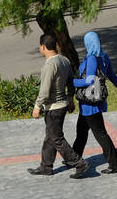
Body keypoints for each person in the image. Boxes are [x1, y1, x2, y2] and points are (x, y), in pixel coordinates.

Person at [71, 31, 117, 173]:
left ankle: (115, 165)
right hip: (94, 102)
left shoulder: (91, 58)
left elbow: (89, 80)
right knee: (81, 131)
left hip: (89, 104)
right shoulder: (104, 57)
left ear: (88, 43)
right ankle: (73, 158)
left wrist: (71, 81)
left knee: (101, 135)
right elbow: (112, 77)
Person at [29, 34, 88, 178]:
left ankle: (79, 163)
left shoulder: (50, 64)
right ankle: (46, 167)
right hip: (61, 105)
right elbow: (70, 81)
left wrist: (37, 106)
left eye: (39, 46)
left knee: (56, 138)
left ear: (43, 46)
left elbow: (45, 88)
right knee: (50, 136)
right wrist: (70, 99)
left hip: (54, 107)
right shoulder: (64, 60)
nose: (39, 48)